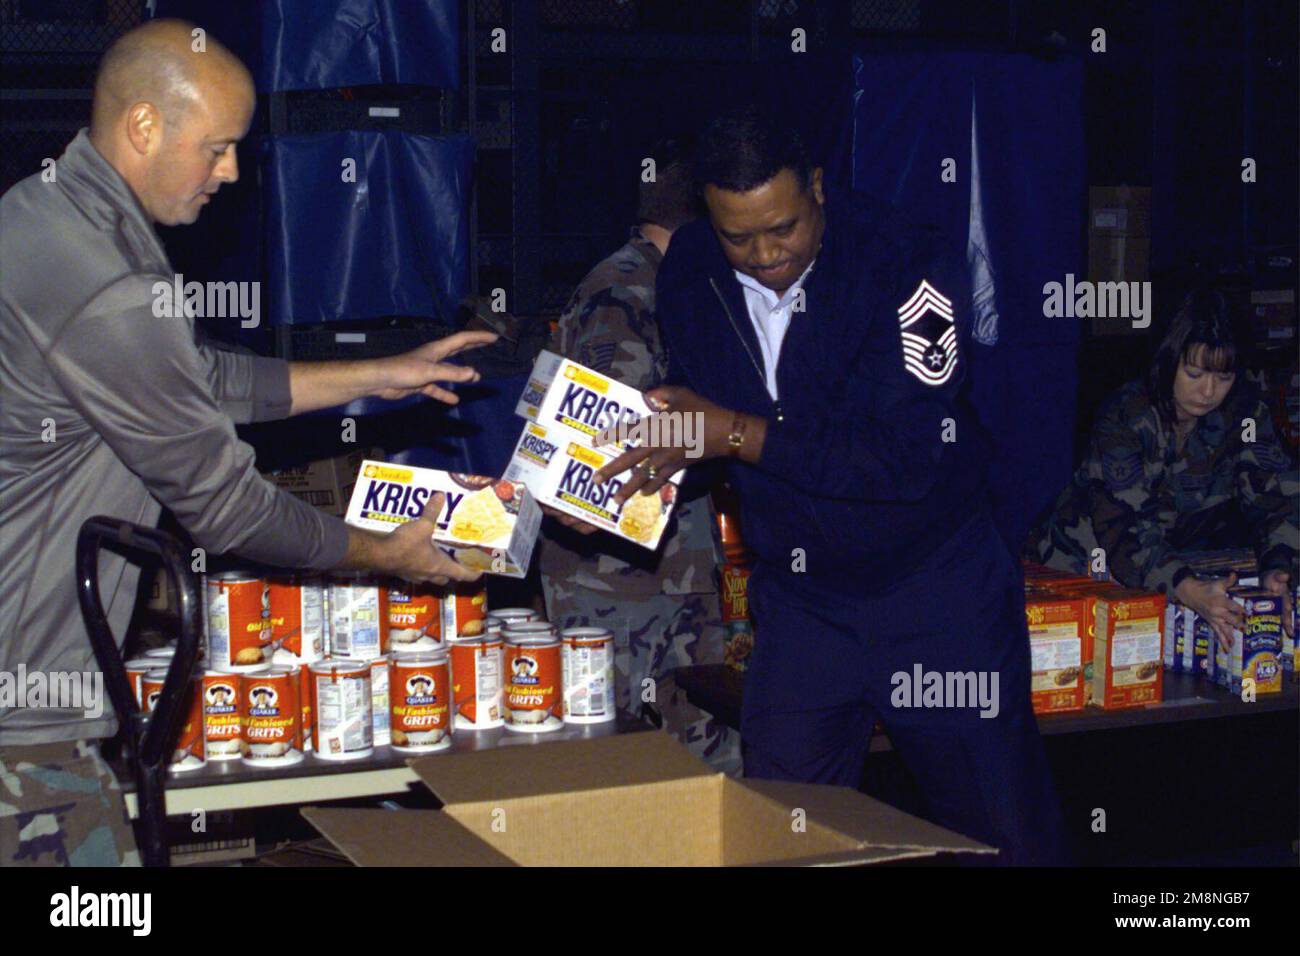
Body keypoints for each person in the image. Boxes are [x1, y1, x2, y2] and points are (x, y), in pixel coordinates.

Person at [0, 20, 492, 866]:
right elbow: (226, 509)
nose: (230, 173)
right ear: (145, 127)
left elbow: (191, 377)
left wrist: (380, 375)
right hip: (25, 723)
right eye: (218, 148)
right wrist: (386, 554)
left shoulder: (44, 212)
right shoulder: (105, 280)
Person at [588, 105, 1068, 865]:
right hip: (805, 604)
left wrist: (734, 432)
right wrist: (623, 482)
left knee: (998, 838)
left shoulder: (905, 261)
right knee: (783, 837)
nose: (764, 254)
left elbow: (908, 458)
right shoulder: (691, 273)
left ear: (817, 186)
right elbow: (709, 420)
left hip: (934, 597)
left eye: (783, 228)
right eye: (737, 235)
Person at [539, 139, 741, 774]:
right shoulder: (628, 293)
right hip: (620, 584)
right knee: (629, 760)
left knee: (698, 749)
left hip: (658, 574)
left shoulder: (647, 281)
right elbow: (612, 441)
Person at [1028, 288, 1298, 648]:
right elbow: (1124, 528)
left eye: (1223, 377)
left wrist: (1278, 568)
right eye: (1194, 373)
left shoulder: (1245, 415)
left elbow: (1277, 499)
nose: (1208, 391)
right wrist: (1187, 588)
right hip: (1072, 574)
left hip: (1163, 576)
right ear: (1169, 362)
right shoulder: (1126, 416)